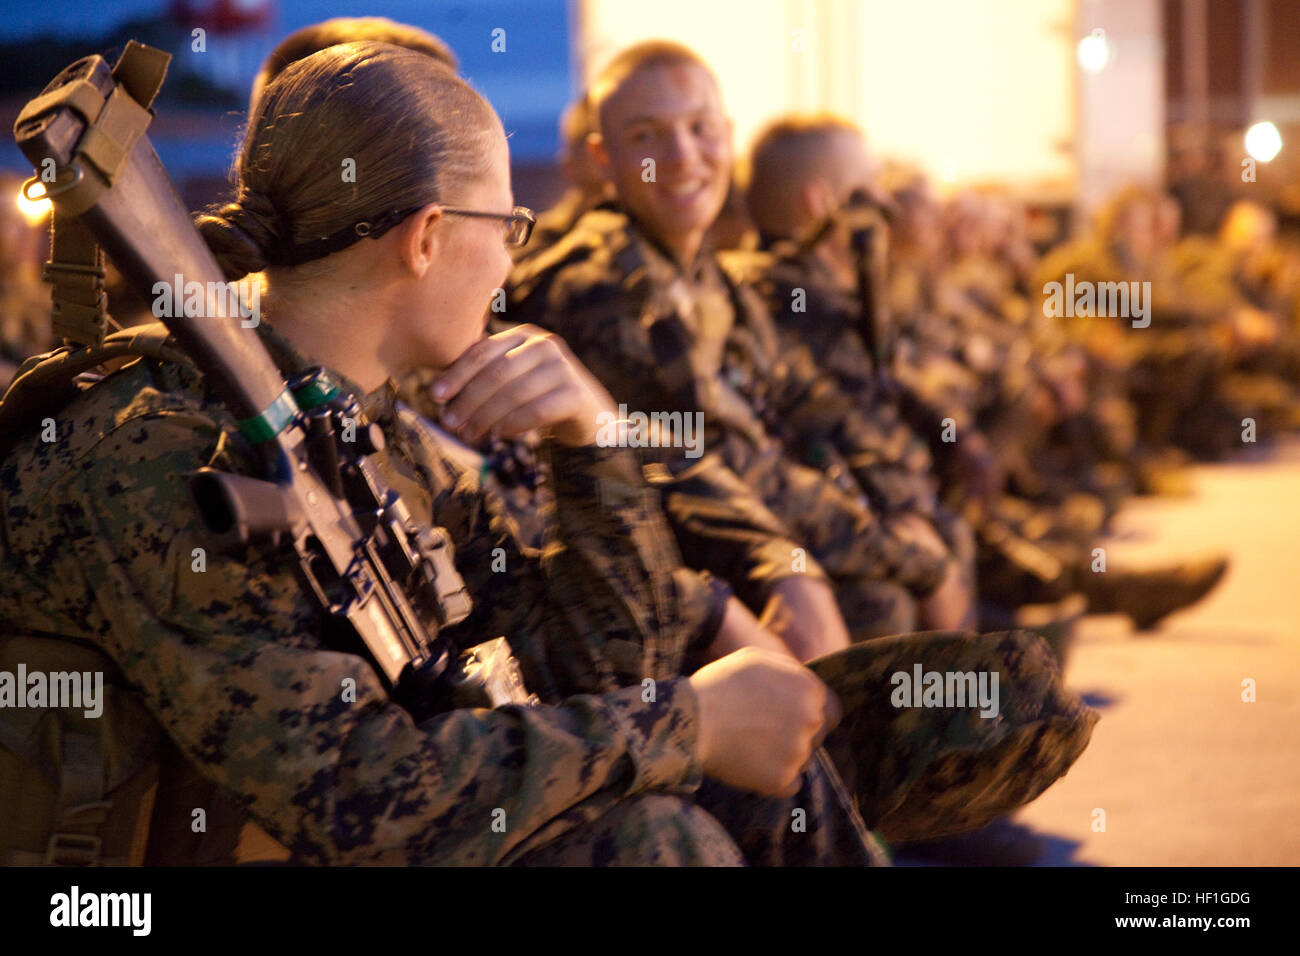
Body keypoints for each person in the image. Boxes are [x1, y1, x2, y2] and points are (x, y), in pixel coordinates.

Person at [0, 41, 871, 866]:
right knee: (650, 843)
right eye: (507, 228)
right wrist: (690, 723)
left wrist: (594, 440)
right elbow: (354, 793)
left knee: (734, 787)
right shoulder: (161, 452)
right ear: (425, 238)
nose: (507, 267)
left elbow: (596, 668)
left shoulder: (354, 427)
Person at [508, 41, 976, 640]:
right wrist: (908, 559)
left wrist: (899, 508)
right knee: (877, 600)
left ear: (728, 136)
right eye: (647, 136)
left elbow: (814, 411)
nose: (682, 157)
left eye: (701, 129)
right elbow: (727, 465)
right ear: (603, 158)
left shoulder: (714, 278)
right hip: (660, 564)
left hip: (742, 533)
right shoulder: (600, 288)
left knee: (921, 536)